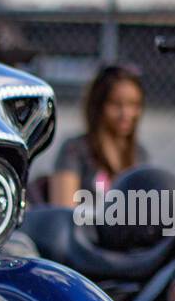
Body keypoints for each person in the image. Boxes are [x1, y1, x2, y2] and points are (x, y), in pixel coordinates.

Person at [48, 65, 149, 206]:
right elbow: (63, 209)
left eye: (133, 104)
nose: (126, 114)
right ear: (98, 105)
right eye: (116, 104)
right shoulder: (75, 150)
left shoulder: (139, 154)